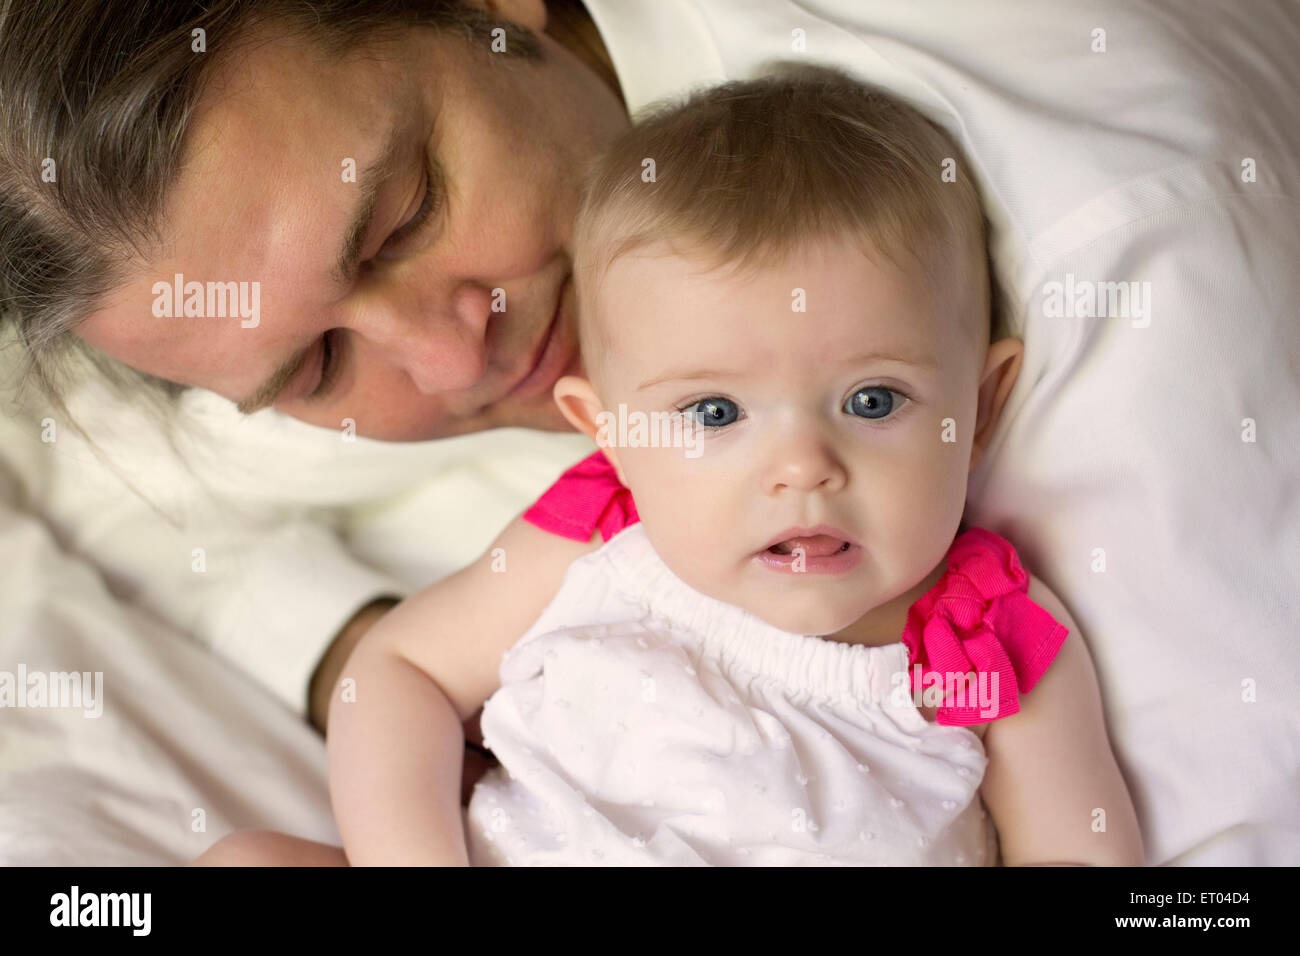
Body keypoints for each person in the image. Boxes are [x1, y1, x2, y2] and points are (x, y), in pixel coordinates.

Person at [3, 0, 1297, 865]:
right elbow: (84, 480)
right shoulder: (563, 532)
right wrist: (358, 643)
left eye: (401, 217)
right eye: (319, 363)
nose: (458, 356)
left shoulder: (1104, 250)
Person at [194, 68, 1144, 866]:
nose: (803, 469)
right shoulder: (599, 536)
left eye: (872, 401)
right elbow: (394, 670)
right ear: (610, 435)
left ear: (977, 411)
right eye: (715, 413)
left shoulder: (988, 640)